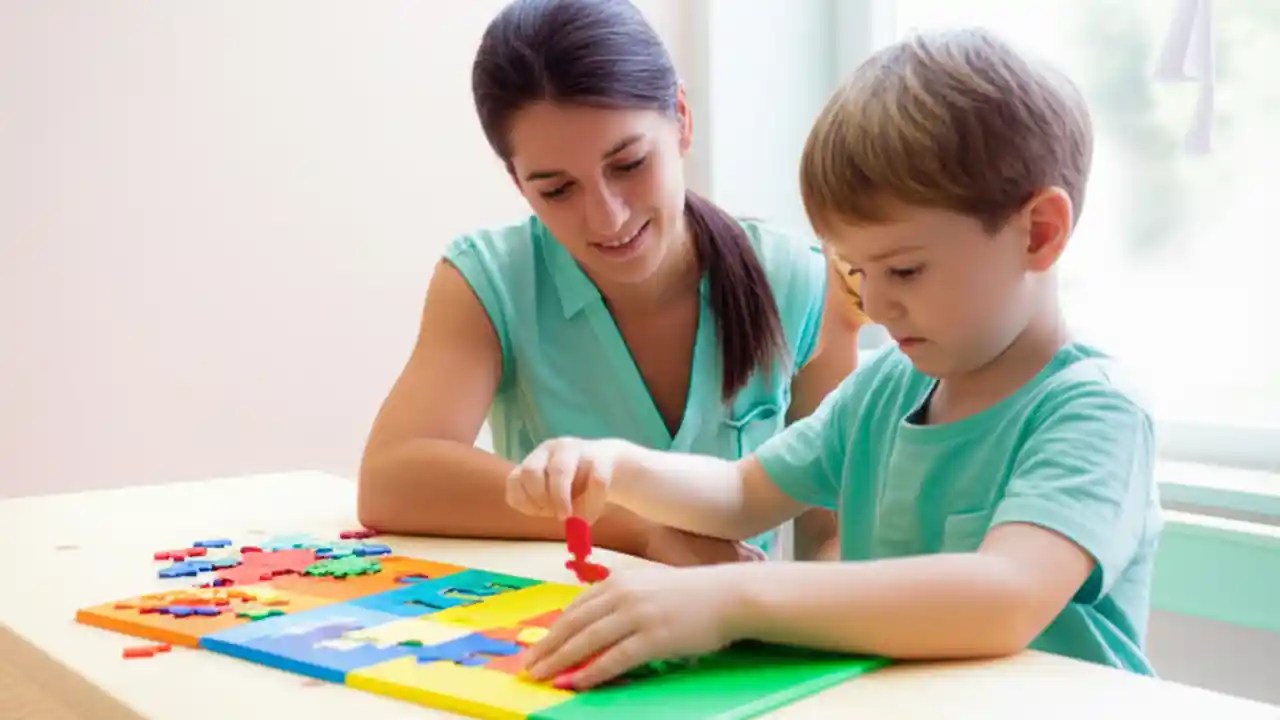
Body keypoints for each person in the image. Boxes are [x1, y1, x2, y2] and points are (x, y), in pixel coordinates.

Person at [505, 27, 1163, 689]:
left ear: (1039, 233)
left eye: (904, 271)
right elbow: (742, 495)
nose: (874, 306)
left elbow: (1003, 596)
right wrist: (615, 465)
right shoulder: (884, 387)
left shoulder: (1094, 411)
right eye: (856, 271)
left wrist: (729, 600)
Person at [356, 0, 861, 566]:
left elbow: (836, 529)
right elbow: (392, 479)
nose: (607, 219)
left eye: (628, 165)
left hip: (738, 634)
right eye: (558, 190)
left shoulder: (801, 281)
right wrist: (641, 531)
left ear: (682, 119)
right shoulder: (489, 282)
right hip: (554, 632)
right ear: (519, 183)